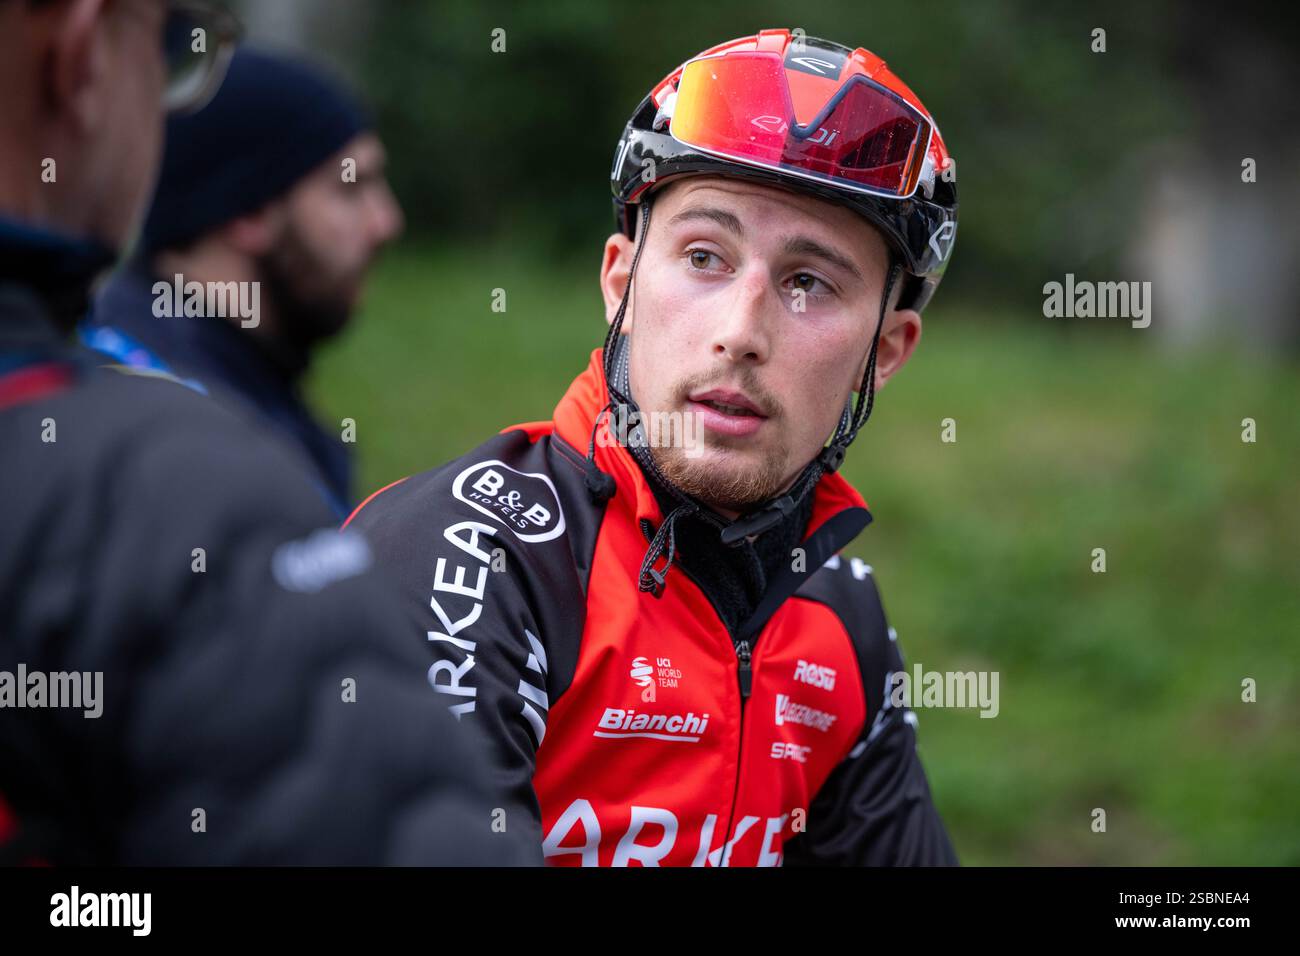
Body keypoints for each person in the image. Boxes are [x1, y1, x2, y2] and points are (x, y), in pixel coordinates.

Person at [345, 28, 960, 866]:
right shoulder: (469, 558)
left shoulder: (838, 616)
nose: (740, 334)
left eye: (808, 282)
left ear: (885, 352)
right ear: (620, 284)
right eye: (704, 256)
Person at [0, 0, 530, 865]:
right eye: (351, 186)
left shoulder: (214, 411)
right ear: (82, 54)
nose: (387, 221)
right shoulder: (172, 472)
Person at [83, 45, 403, 520]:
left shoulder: (240, 382)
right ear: (251, 211)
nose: (386, 223)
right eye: (350, 188)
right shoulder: (170, 447)